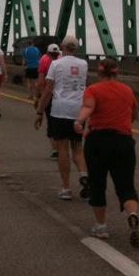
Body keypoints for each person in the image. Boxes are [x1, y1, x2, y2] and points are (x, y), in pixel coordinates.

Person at [74, 59, 139, 247]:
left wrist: (79, 121)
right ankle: (132, 215)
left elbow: (88, 107)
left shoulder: (93, 90)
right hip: (123, 141)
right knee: (126, 185)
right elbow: (134, 114)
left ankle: (101, 226)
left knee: (97, 184)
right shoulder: (127, 90)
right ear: (116, 73)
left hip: (98, 141)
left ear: (99, 73)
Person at [35, 35, 89, 201]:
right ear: (76, 48)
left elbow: (48, 90)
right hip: (78, 110)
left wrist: (40, 111)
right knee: (77, 148)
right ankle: (83, 174)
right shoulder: (84, 64)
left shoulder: (56, 64)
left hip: (60, 110)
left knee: (63, 149)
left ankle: (66, 188)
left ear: (62, 47)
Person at [35, 42, 61, 160]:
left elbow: (40, 81)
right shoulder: (62, 60)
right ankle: (63, 148)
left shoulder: (44, 60)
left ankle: (56, 150)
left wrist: (38, 96)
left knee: (51, 122)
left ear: (47, 52)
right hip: (61, 96)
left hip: (49, 95)